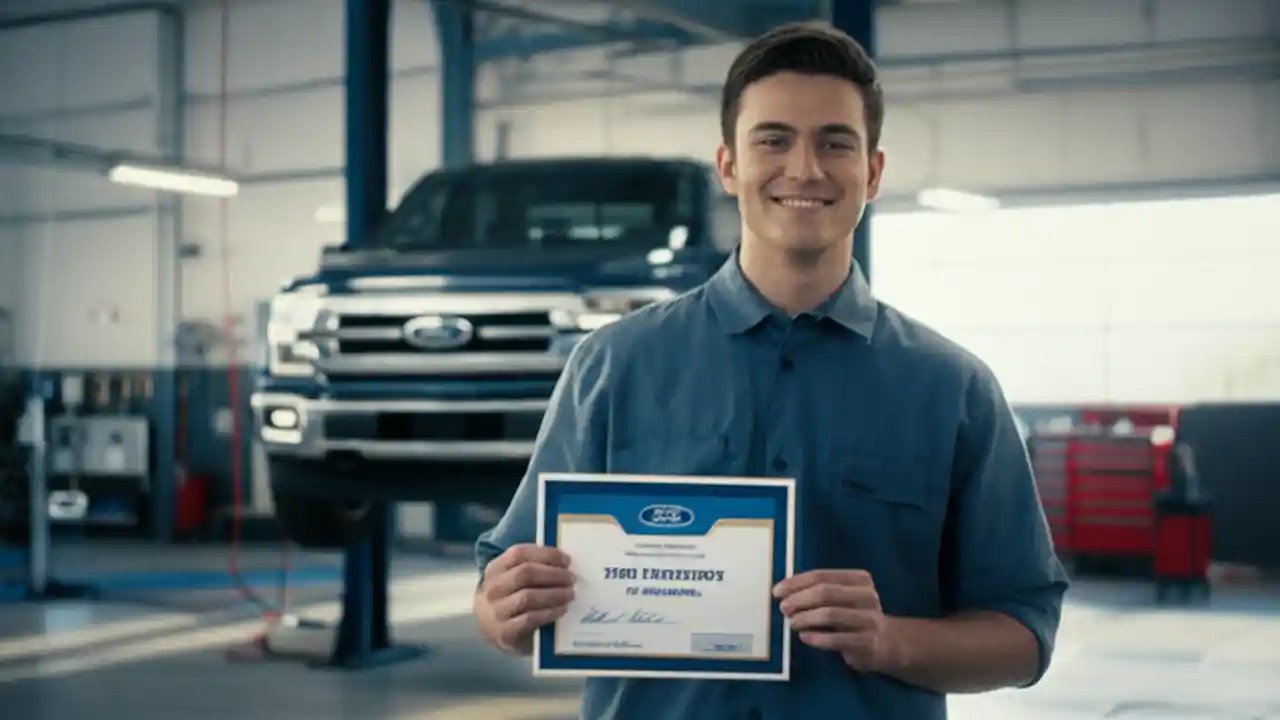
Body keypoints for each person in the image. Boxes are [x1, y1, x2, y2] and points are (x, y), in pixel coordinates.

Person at [473, 20, 1069, 720]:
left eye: (836, 143)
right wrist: (505, 608)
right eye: (774, 139)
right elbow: (500, 594)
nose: (806, 169)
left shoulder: (953, 389)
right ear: (729, 165)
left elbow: (1025, 632)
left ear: (873, 172)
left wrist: (890, 641)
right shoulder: (613, 365)